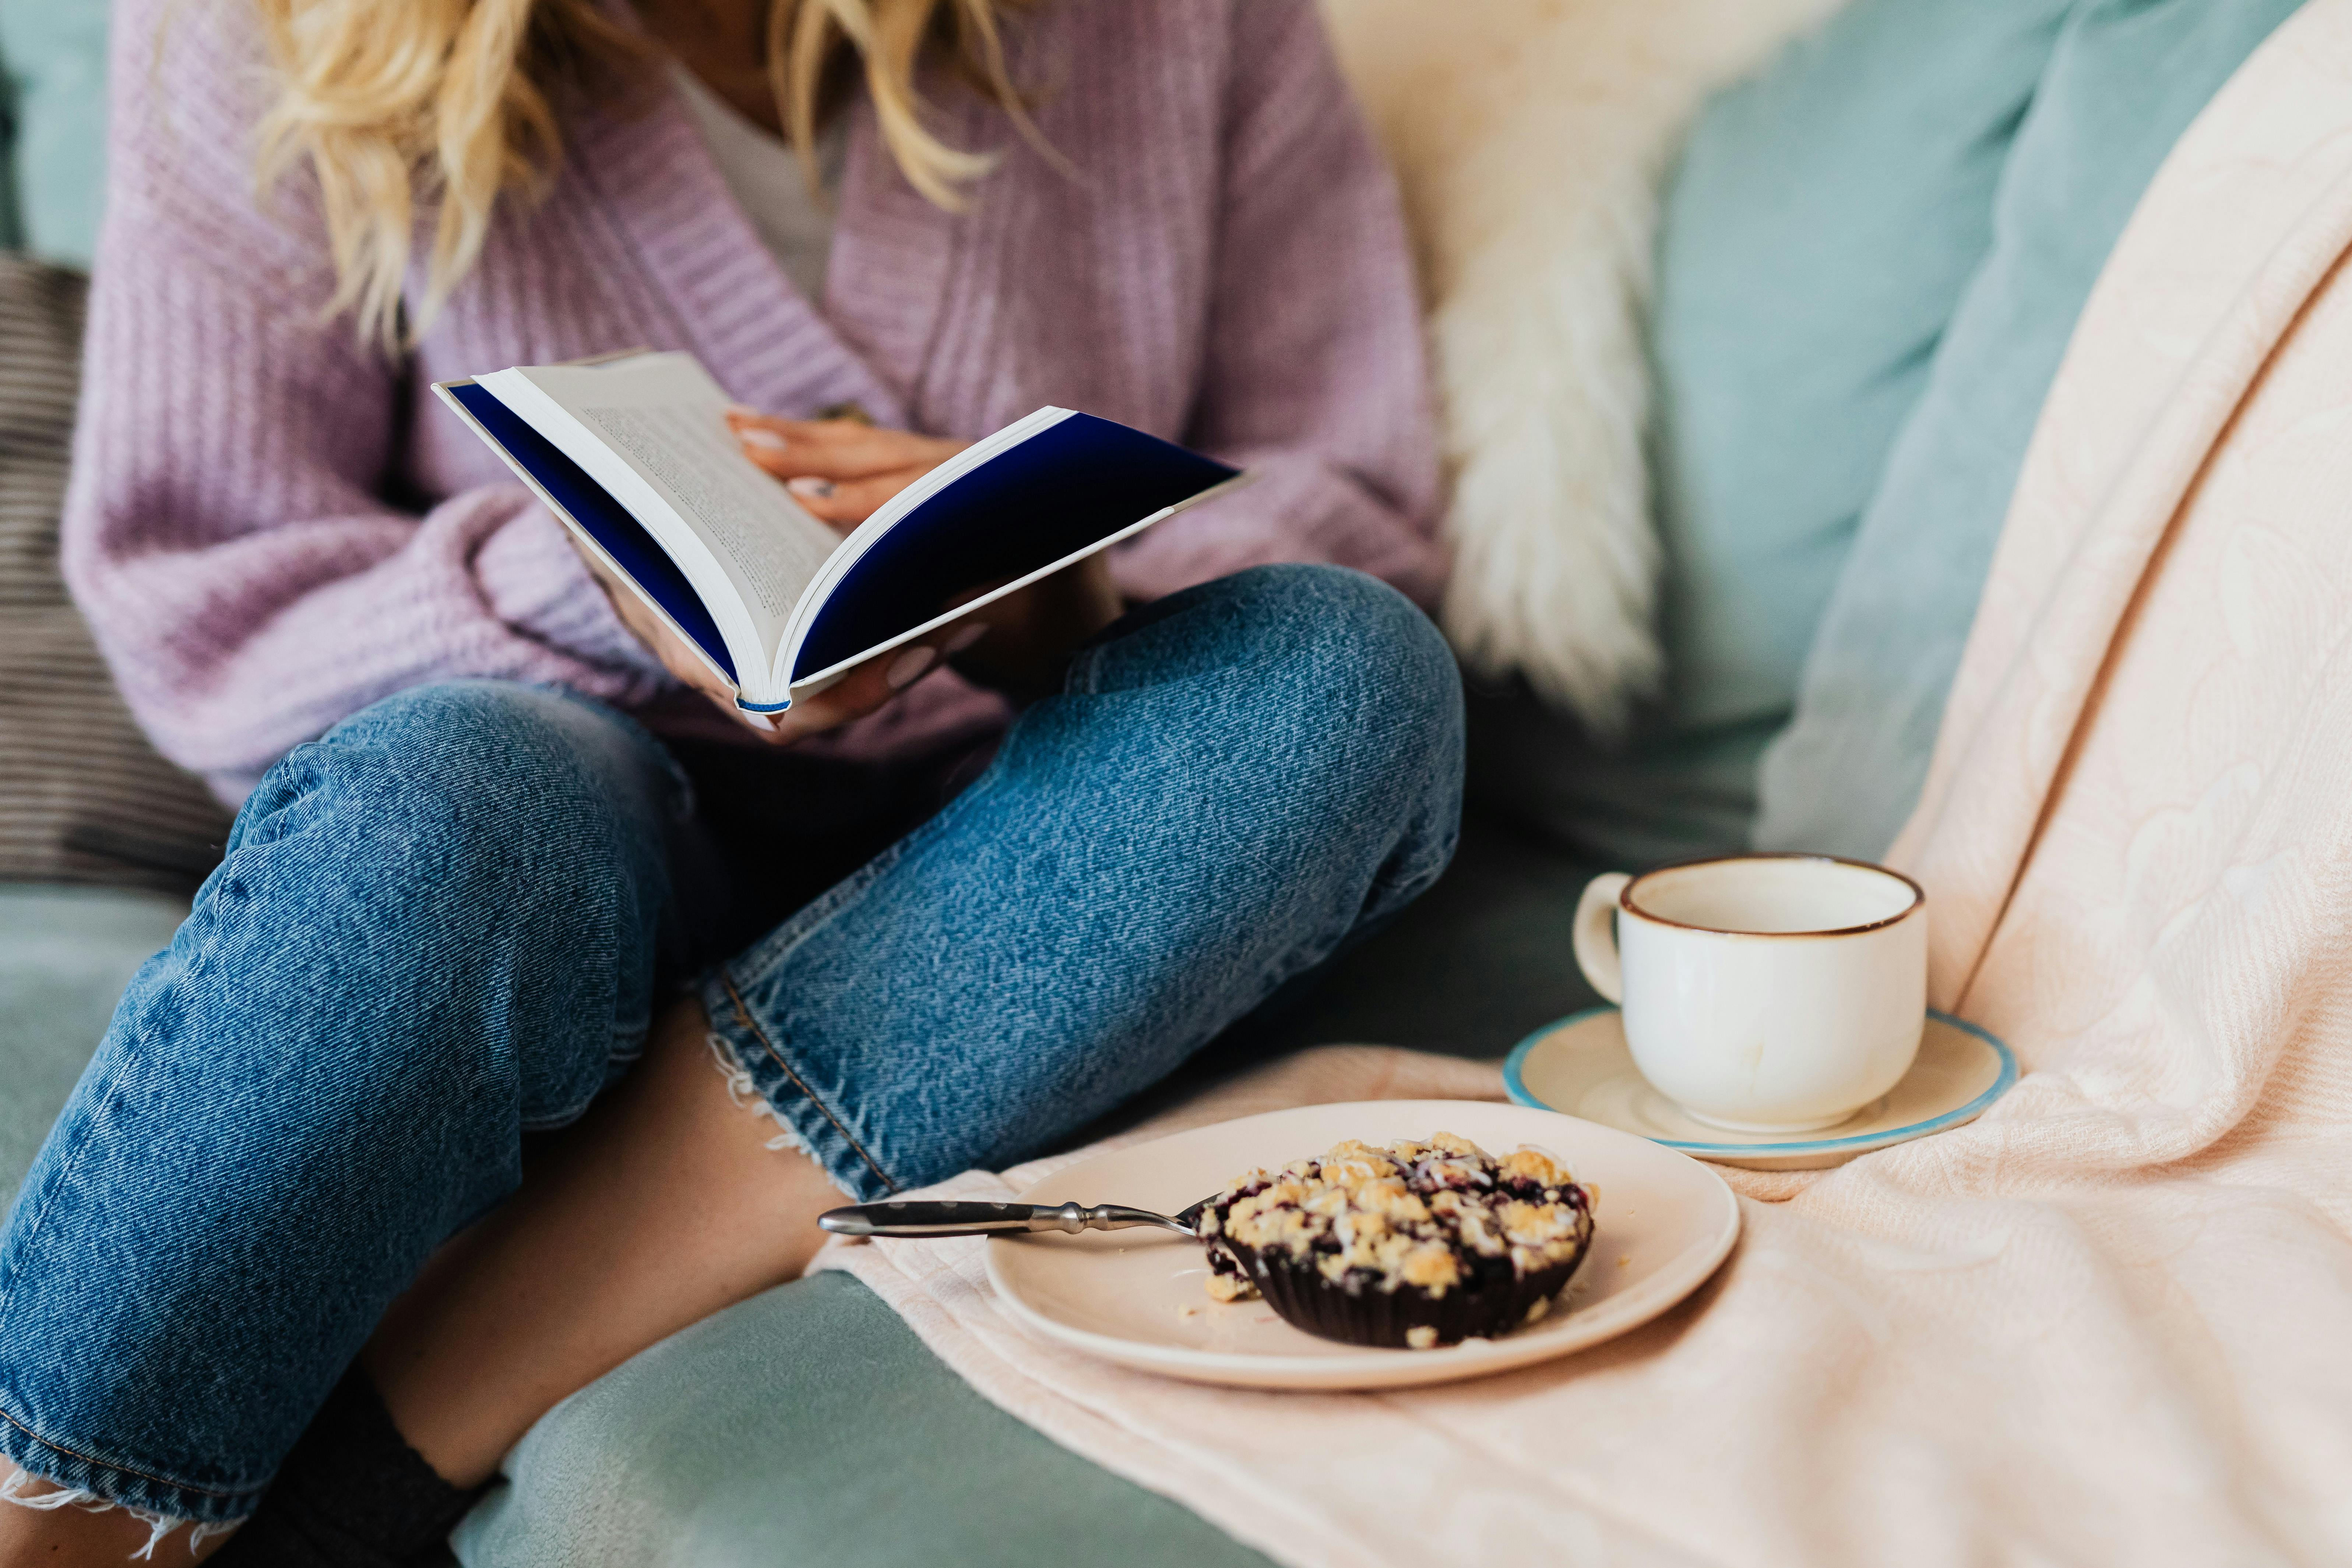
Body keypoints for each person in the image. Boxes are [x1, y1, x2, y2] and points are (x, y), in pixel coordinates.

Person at [0, 0, 1459, 1561]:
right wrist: (582, 587)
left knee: (1344, 676)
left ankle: (387, 1448)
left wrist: (1062, 591)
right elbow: (204, 606)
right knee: (446, 804)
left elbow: (1351, 488)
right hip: (568, 841)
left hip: (1037, 874)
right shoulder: (254, 28)